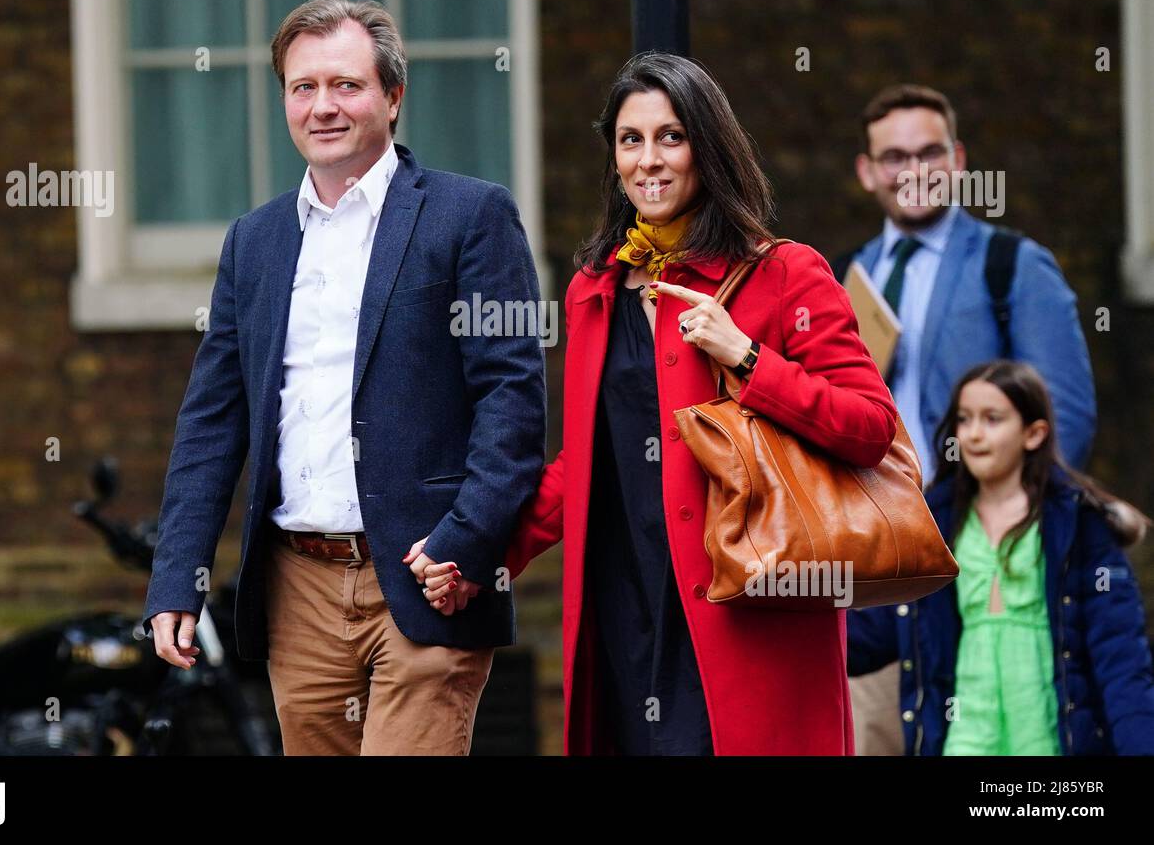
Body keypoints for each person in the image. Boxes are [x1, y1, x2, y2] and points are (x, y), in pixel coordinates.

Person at [448, 51, 897, 754]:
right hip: (627, 607)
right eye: (631, 140)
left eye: (671, 137)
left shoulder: (784, 274)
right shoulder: (594, 290)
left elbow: (870, 427)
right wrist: (484, 553)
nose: (649, 160)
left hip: (748, 609)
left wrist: (747, 358)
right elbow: (587, 461)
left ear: (706, 149)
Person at [140, 0, 547, 755]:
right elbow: (211, 422)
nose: (323, 106)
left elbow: (512, 402)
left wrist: (465, 538)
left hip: (428, 576)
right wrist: (177, 578)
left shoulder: (472, 217)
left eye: (346, 85)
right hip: (298, 588)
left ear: (393, 96)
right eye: (303, 87)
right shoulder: (253, 242)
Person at [835, 84, 1098, 754]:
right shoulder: (842, 280)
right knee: (875, 738)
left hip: (981, 559)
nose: (912, 170)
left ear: (957, 161)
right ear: (867, 171)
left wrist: (1003, 531)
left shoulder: (1012, 266)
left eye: (928, 152)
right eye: (892, 157)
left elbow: (1064, 414)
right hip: (874, 563)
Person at [848, 359, 1154, 755]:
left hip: (1051, 746)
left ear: (1033, 433)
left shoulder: (1080, 526)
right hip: (963, 741)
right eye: (964, 419)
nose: (974, 435)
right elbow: (881, 630)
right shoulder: (934, 524)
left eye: (992, 419)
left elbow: (1120, 659)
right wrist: (790, 610)